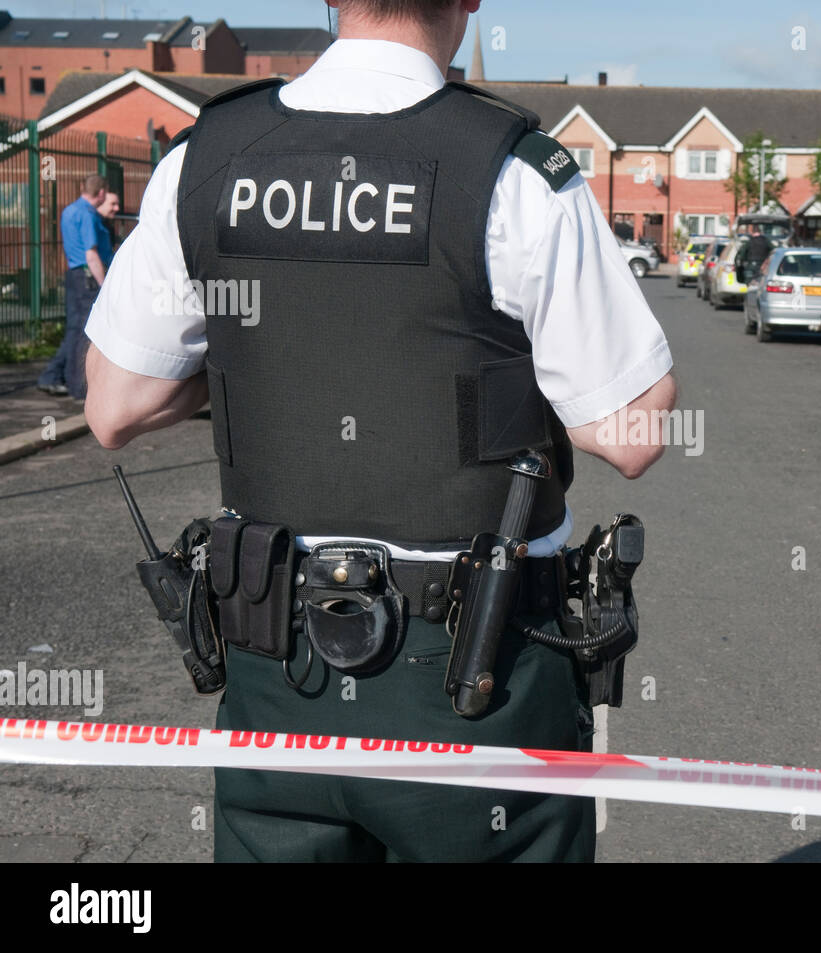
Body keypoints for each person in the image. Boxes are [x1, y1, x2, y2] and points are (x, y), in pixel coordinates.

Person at [84, 0, 676, 862]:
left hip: (276, 681)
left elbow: (114, 405)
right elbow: (632, 429)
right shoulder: (513, 170)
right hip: (477, 682)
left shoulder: (208, 158)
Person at [37, 174, 111, 400]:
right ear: (100, 193)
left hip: (73, 275)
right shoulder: (87, 215)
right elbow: (91, 254)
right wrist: (104, 285)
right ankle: (78, 385)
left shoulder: (69, 211)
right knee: (84, 332)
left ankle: (51, 376)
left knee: (74, 329)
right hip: (87, 278)